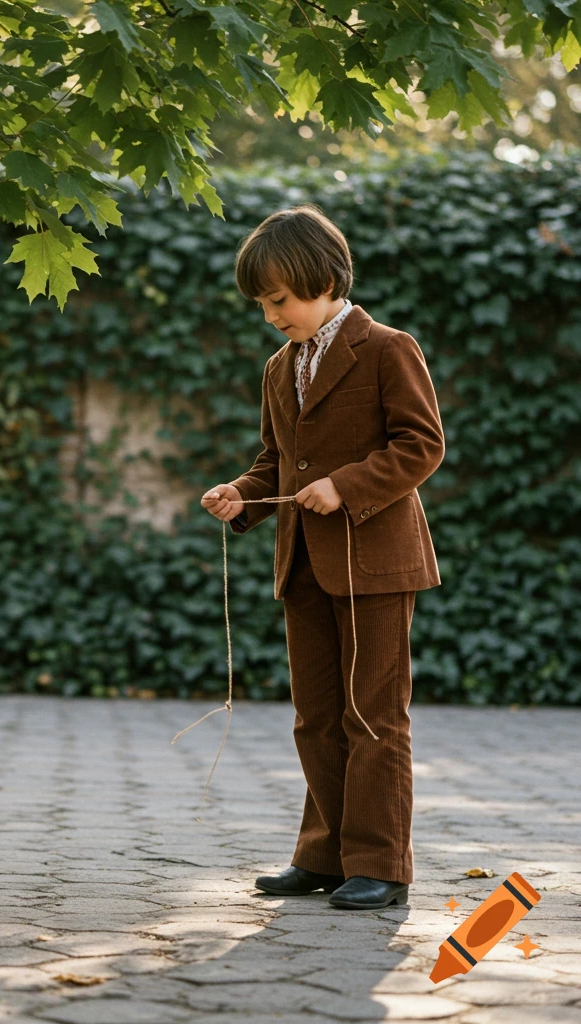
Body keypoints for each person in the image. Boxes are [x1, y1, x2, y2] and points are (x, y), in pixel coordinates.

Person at [201, 204, 444, 910]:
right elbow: (275, 461)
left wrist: (347, 486)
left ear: (328, 279)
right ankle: (324, 854)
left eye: (279, 299)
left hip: (374, 563)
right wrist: (241, 497)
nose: (271, 315)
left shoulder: (389, 348)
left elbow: (421, 445)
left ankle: (381, 864)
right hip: (302, 564)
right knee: (315, 716)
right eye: (261, 304)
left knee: (372, 716)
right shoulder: (281, 368)